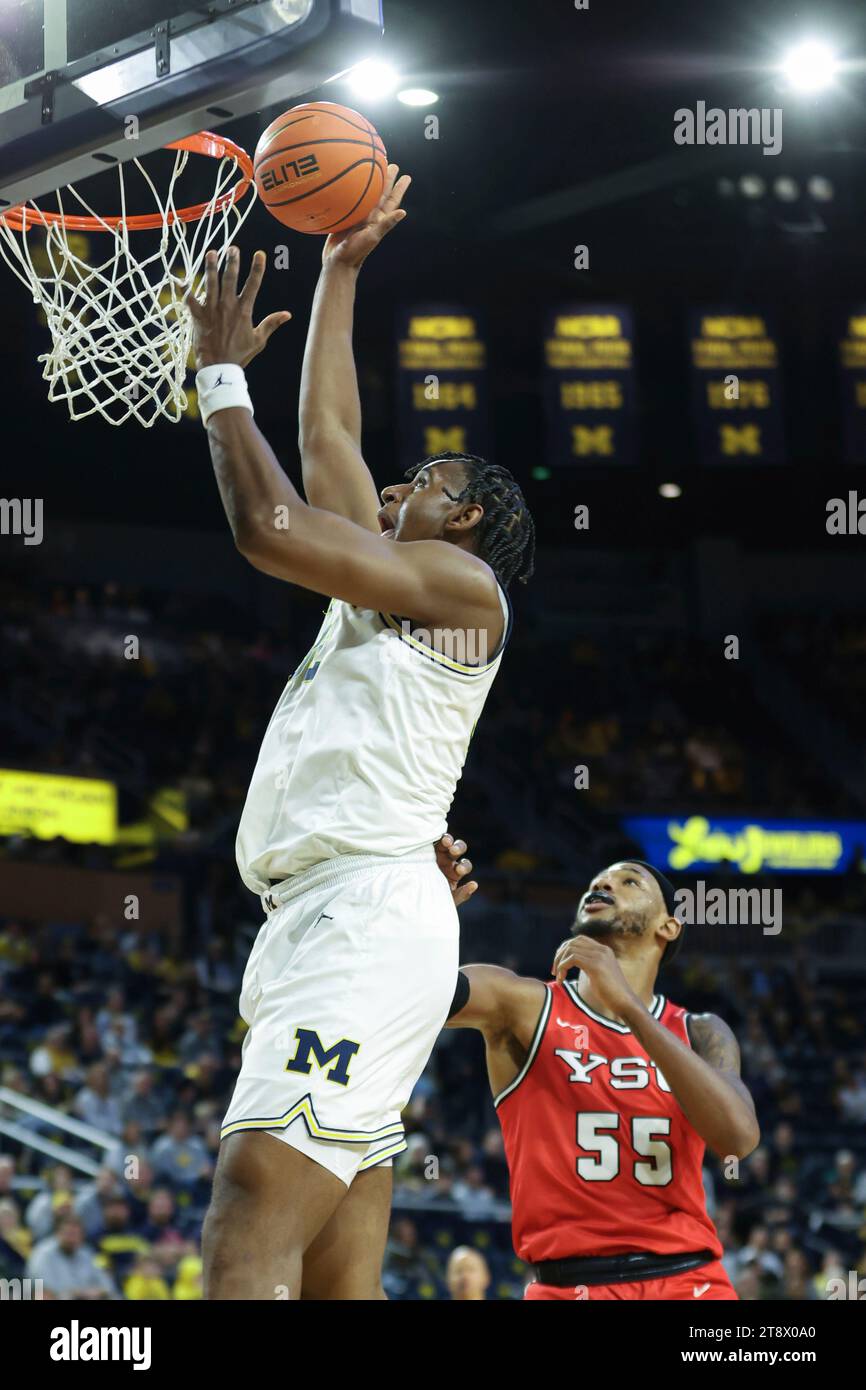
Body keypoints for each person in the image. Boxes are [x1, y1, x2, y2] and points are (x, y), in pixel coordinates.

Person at [184, 167, 535, 1300]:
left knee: (248, 1210)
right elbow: (328, 430)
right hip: (329, 915)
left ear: (467, 514)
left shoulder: (462, 585)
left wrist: (218, 373)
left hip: (364, 913)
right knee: (334, 1266)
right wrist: (339, 272)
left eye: (417, 481)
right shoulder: (387, 584)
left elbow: (268, 524)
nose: (387, 487)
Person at [448, 859, 760, 1300]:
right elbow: (407, 994)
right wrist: (423, 908)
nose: (603, 885)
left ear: (668, 927)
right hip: (567, 1284)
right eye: (597, 881)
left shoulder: (702, 1031)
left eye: (628, 882)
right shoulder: (521, 1004)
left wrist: (630, 1008)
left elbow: (739, 1139)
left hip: (689, 1281)